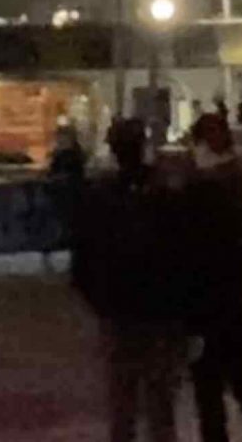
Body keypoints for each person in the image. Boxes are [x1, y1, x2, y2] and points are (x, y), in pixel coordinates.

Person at [72, 118, 188, 442]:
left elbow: (83, 260)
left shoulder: (100, 197)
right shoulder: (166, 194)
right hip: (161, 313)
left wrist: (101, 302)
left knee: (122, 402)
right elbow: (186, 253)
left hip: (119, 312)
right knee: (161, 403)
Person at [181, 113, 242, 442]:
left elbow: (183, 246)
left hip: (203, 303)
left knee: (208, 390)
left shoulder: (196, 190)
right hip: (239, 293)